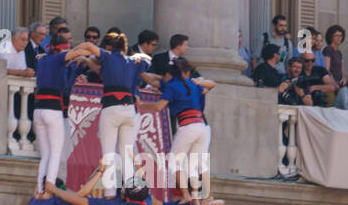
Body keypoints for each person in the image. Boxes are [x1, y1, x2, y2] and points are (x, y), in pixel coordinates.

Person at [81, 32, 146, 195]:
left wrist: (74, 52)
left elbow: (89, 46)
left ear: (110, 47)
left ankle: (110, 194)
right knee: (127, 155)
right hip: (129, 109)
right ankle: (131, 193)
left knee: (109, 155)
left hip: (111, 108)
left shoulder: (108, 57)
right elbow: (147, 64)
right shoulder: (132, 61)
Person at [138, 57, 214, 195]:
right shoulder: (192, 84)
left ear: (168, 75)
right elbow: (209, 87)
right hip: (201, 126)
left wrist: (141, 105)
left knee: (174, 162)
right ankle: (205, 196)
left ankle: (185, 195)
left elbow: (159, 106)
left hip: (188, 126)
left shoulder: (172, 86)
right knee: (196, 165)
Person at [33, 30, 96, 193]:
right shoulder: (60, 58)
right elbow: (76, 53)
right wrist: (90, 51)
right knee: (55, 154)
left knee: (45, 155)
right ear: (62, 49)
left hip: (38, 109)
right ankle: (49, 188)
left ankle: (40, 189)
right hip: (52, 109)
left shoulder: (42, 59)